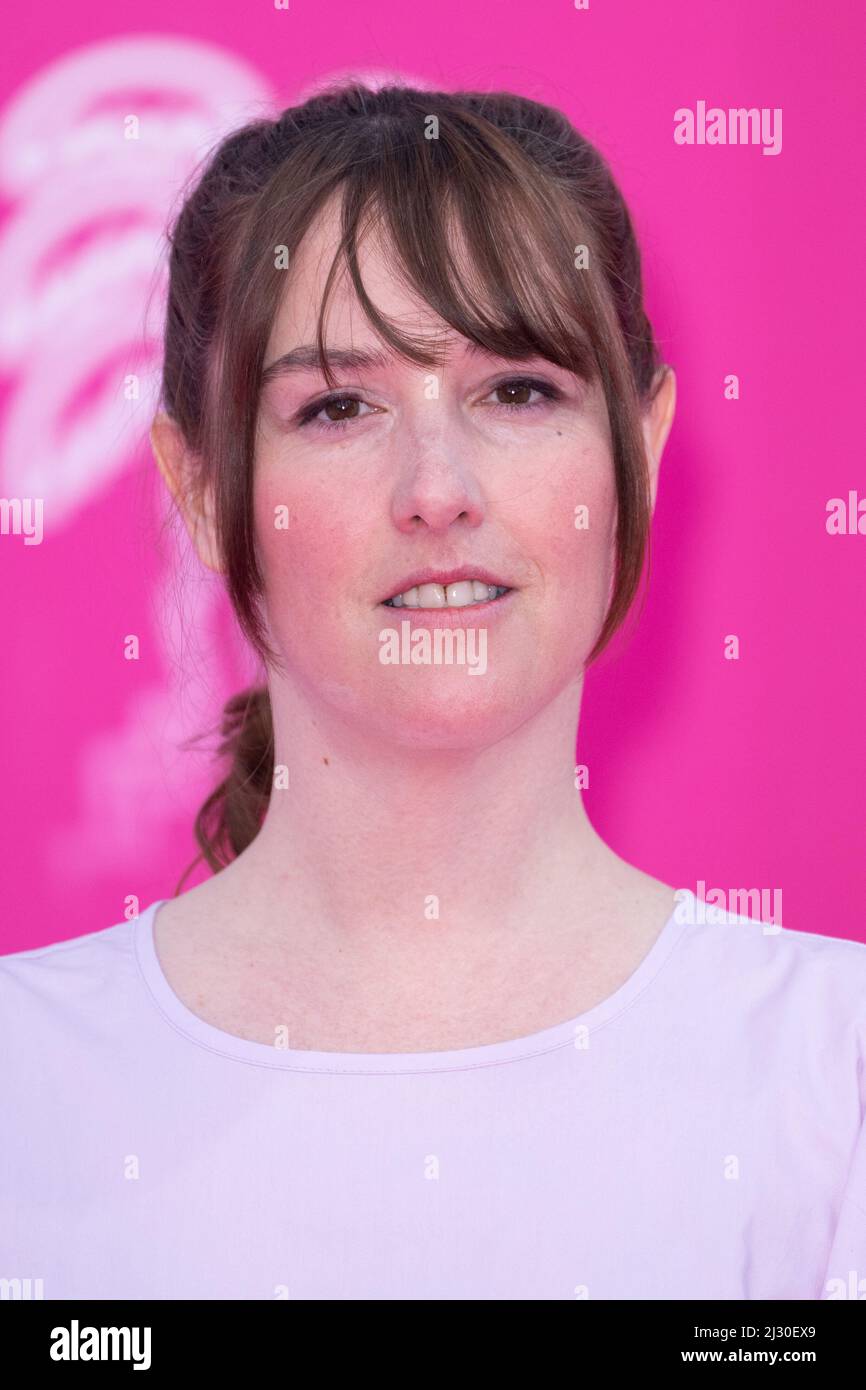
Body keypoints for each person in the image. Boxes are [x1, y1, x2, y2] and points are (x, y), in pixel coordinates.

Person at [2, 81, 864, 1302]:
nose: (437, 487)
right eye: (338, 405)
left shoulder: (835, 1082)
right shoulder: (20, 1089)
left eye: (517, 390)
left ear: (642, 445)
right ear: (198, 486)